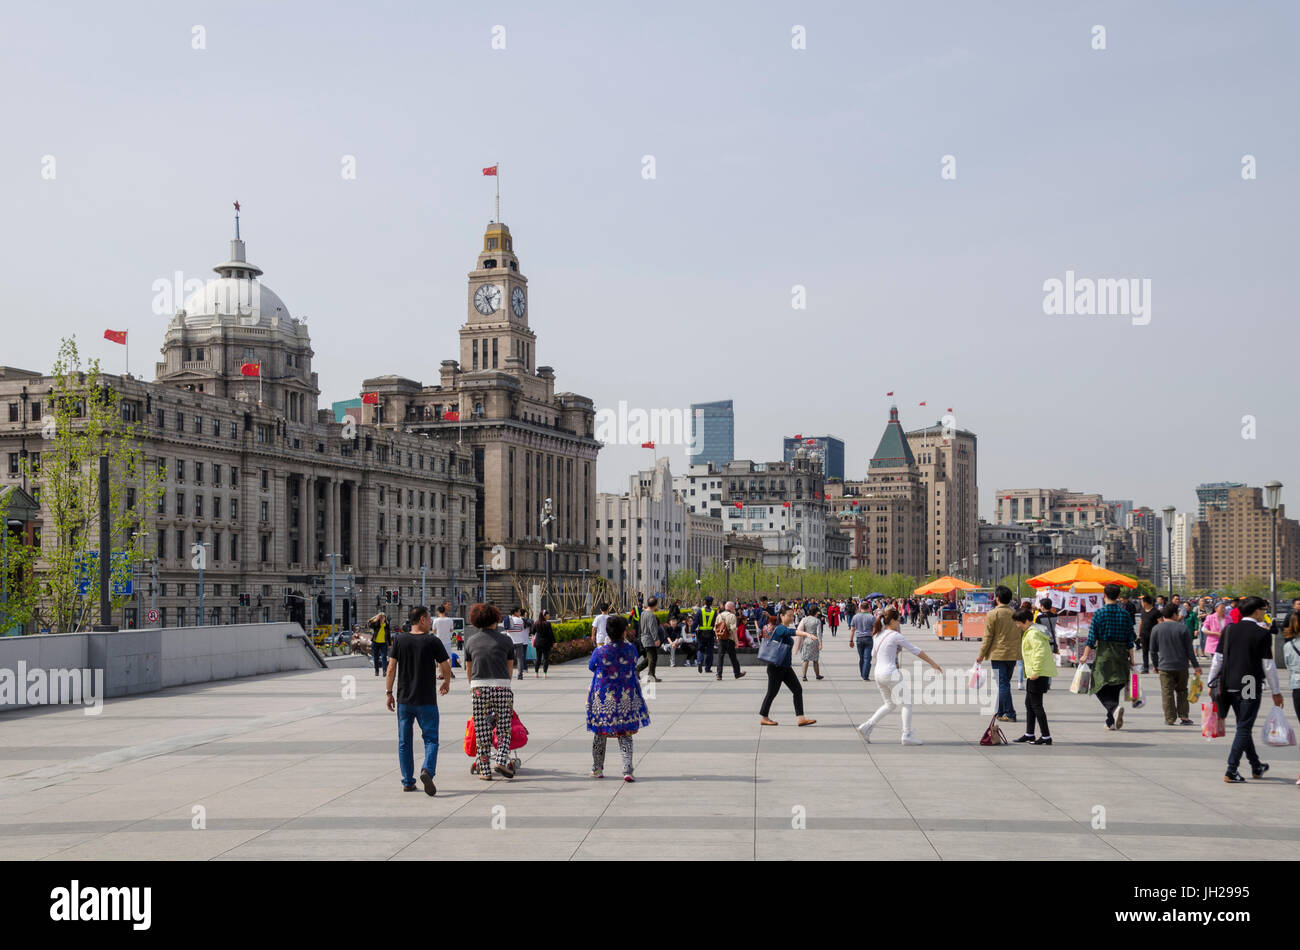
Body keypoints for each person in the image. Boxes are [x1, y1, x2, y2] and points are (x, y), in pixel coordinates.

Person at [1208, 596, 1284, 783]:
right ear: (1256, 611)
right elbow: (1268, 665)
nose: (1265, 613)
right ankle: (1231, 769)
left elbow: (1217, 659)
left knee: (1244, 724)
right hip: (1249, 683)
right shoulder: (1262, 633)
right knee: (1244, 726)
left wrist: (1211, 683)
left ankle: (1256, 765)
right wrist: (1276, 691)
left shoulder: (1229, 629)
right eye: (1264, 610)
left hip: (1227, 682)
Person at [385, 605, 452, 795]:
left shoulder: (400, 639)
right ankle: (427, 771)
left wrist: (389, 693)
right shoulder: (432, 641)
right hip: (426, 700)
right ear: (422, 619)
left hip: (405, 701)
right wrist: (446, 682)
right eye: (429, 619)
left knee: (404, 741)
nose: (431, 622)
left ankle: (407, 781)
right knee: (431, 739)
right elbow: (445, 666)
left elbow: (391, 669)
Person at [857, 607, 943, 745]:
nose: (899, 623)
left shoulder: (877, 634)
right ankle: (907, 734)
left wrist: (891, 653)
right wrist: (933, 663)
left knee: (890, 704)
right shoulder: (896, 636)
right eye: (898, 621)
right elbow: (916, 651)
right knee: (907, 703)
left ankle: (867, 726)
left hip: (878, 673)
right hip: (890, 673)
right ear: (892, 621)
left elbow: (874, 654)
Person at [587, 614, 651, 781]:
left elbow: (591, 666)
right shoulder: (630, 649)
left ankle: (597, 768)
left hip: (604, 697)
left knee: (600, 733)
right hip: (625, 695)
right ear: (624, 632)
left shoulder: (600, 651)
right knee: (625, 733)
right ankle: (627, 769)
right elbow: (634, 662)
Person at [463, 602, 518, 780]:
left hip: (479, 688)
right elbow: (510, 669)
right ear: (496, 618)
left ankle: (484, 770)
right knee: (503, 728)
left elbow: (469, 670)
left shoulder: (471, 641)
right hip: (501, 686)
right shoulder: (506, 640)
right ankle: (501, 760)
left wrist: (475, 686)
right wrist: (503, 684)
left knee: (482, 729)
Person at [1079, 584, 1137, 730]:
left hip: (1104, 654)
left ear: (1104, 595)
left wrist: (1085, 655)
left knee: (1097, 685)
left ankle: (1113, 709)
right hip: (1121, 655)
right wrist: (1132, 659)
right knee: (1115, 686)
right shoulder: (1125, 614)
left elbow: (1091, 638)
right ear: (1118, 596)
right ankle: (1110, 721)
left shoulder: (1099, 613)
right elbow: (1130, 639)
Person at [758, 606, 818, 726]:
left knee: (797, 690)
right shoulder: (780, 628)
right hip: (776, 667)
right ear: (782, 616)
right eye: (789, 615)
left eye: (792, 615)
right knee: (772, 692)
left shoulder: (783, 627)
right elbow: (791, 632)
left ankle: (801, 718)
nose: (791, 617)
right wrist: (806, 634)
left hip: (785, 667)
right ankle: (764, 717)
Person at [1151, 603, 1200, 726]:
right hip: (1181, 666)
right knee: (1182, 691)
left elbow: (1153, 650)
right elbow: (1190, 650)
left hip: (1164, 667)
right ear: (1173, 614)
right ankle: (1184, 717)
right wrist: (1196, 666)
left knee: (1167, 693)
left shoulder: (1156, 629)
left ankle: (1170, 718)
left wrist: (1155, 665)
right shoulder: (1182, 628)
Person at [1013, 606, 1057, 745]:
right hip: (1035, 672)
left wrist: (1036, 672)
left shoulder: (1033, 634)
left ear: (1026, 621)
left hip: (1038, 673)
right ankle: (1030, 733)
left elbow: (1040, 653)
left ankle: (1046, 736)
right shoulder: (1033, 631)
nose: (1017, 625)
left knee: (1036, 705)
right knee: (1029, 703)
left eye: (1019, 622)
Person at [977, 586, 1021, 724]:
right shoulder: (1015, 614)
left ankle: (1010, 712)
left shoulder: (992, 614)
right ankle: (1001, 711)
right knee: (1004, 683)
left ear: (997, 599)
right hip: (1012, 654)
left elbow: (988, 637)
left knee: (1002, 684)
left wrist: (981, 654)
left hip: (998, 654)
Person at [714, 600, 746, 681]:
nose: (734, 609)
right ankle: (737, 673)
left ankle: (719, 674)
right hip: (729, 639)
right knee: (733, 657)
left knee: (720, 657)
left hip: (721, 639)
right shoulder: (732, 616)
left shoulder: (719, 616)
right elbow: (733, 630)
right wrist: (736, 642)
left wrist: (718, 638)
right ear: (731, 608)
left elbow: (715, 628)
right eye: (734, 607)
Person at [636, 596, 664, 681]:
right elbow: (652, 628)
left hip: (644, 637)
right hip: (650, 639)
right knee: (652, 658)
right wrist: (656, 639)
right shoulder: (651, 615)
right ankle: (650, 675)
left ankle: (637, 669)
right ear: (655, 605)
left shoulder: (643, 613)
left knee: (650, 657)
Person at [796, 605, 824, 681]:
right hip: (814, 640)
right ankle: (817, 675)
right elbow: (819, 633)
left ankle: (804, 676)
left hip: (806, 639)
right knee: (815, 659)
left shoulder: (804, 619)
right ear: (816, 612)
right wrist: (820, 643)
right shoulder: (817, 620)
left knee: (805, 659)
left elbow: (799, 629)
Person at [849, 603, 875, 680]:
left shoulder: (855, 617)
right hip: (868, 638)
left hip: (859, 638)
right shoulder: (871, 617)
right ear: (868, 608)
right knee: (867, 658)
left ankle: (862, 673)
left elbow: (852, 629)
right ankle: (865, 675)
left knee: (861, 658)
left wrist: (851, 640)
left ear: (860, 608)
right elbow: (875, 629)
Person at [504, 606, 530, 680]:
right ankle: (520, 675)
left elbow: (506, 630)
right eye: (518, 611)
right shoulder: (520, 620)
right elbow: (522, 629)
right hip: (519, 641)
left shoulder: (507, 619)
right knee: (519, 658)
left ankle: (507, 674)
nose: (519, 613)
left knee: (508, 658)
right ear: (515, 612)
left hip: (510, 642)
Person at [431, 604, 456, 677]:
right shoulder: (450, 620)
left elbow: (433, 631)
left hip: (438, 641)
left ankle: (441, 674)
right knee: (449, 658)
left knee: (439, 658)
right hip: (447, 641)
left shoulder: (436, 620)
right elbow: (451, 630)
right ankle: (448, 672)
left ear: (438, 611)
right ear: (444, 611)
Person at [693, 596, 717, 675]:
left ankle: (700, 661)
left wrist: (692, 630)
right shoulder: (714, 612)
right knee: (710, 651)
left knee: (700, 649)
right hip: (710, 634)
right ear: (711, 603)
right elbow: (716, 624)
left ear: (704, 602)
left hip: (701, 634)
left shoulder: (700, 611)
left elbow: (695, 622)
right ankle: (707, 668)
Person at [1137, 594, 1160, 674]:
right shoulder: (1143, 611)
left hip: (1153, 635)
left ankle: (1156, 666)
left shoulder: (1156, 612)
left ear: (1145, 602)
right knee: (1144, 652)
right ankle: (1146, 668)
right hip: (1144, 635)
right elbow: (1141, 623)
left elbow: (1160, 623)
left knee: (1153, 652)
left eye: (1142, 602)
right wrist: (1139, 634)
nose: (1141, 603)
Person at [532, 610, 555, 678]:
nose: (549, 616)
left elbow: (533, 632)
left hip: (538, 643)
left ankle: (536, 673)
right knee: (546, 658)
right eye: (548, 615)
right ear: (544, 616)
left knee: (538, 658)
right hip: (546, 643)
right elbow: (551, 634)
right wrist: (554, 642)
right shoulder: (547, 624)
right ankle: (544, 673)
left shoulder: (536, 623)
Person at [368, 611, 390, 677]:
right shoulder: (376, 624)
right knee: (376, 658)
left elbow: (388, 634)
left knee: (384, 657)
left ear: (385, 618)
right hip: (375, 643)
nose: (382, 619)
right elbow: (369, 624)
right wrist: (375, 618)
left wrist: (390, 643)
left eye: (383, 617)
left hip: (384, 643)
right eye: (381, 617)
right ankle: (376, 671)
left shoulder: (386, 625)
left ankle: (384, 671)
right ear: (379, 618)